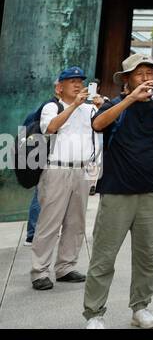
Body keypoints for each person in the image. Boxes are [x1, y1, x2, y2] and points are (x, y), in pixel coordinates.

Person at [83, 54, 153, 329]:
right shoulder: (116, 105)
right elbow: (98, 124)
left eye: (151, 73)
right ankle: (94, 313)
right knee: (104, 257)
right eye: (140, 74)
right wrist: (130, 99)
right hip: (116, 193)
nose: (147, 78)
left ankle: (141, 307)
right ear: (126, 80)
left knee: (147, 257)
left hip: (151, 193)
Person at [30, 66, 97, 292]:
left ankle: (65, 267)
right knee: (49, 222)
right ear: (60, 87)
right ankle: (40, 270)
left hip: (82, 170)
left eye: (80, 80)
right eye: (71, 81)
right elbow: (50, 127)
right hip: (56, 169)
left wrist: (98, 105)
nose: (77, 84)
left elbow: (98, 135)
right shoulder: (52, 106)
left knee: (76, 222)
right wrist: (75, 105)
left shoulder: (89, 109)